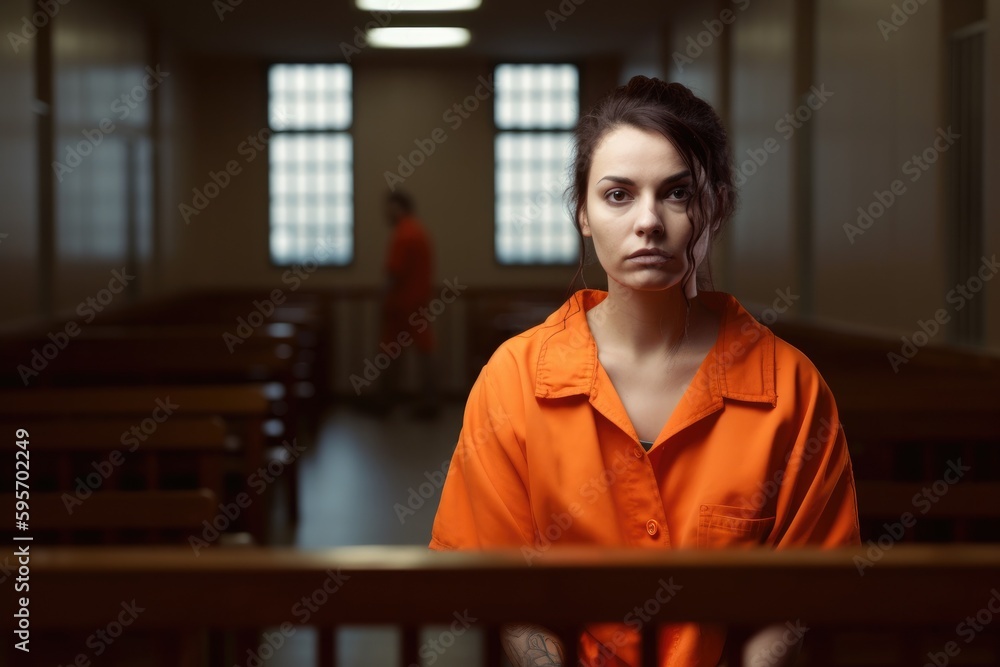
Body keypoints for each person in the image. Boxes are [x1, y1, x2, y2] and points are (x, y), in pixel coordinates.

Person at [428, 76, 860, 666]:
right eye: (617, 195)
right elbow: (504, 587)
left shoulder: (792, 388)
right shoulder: (514, 379)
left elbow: (800, 593)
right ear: (581, 211)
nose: (649, 221)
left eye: (678, 193)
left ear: (716, 206)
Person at [374, 190, 439, 418]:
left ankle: (385, 402)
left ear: (398, 208)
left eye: (388, 208)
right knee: (424, 352)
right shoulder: (418, 231)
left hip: (402, 306)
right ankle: (429, 402)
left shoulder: (403, 234)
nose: (385, 214)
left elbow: (393, 273)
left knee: (390, 352)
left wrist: (383, 299)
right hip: (417, 304)